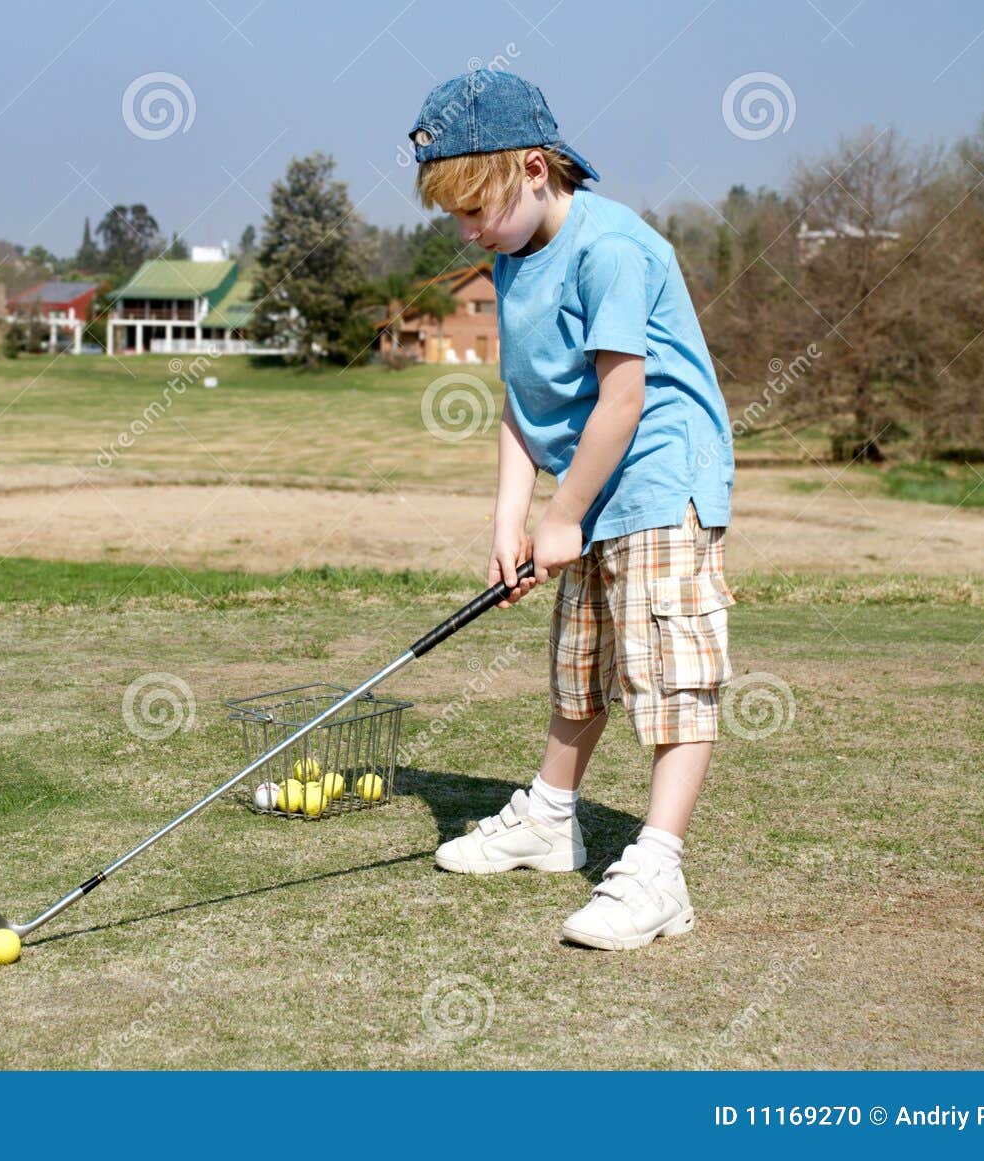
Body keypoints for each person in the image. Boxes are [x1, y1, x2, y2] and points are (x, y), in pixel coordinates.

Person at [410, 70, 737, 950]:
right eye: (457, 218)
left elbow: (622, 400)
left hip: (662, 476)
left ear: (532, 168)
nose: (469, 230)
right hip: (586, 484)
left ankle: (659, 869)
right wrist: (511, 523)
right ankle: (552, 819)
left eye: (476, 208)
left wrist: (564, 514)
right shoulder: (512, 258)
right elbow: (524, 402)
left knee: (669, 675)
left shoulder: (610, 250)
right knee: (580, 664)